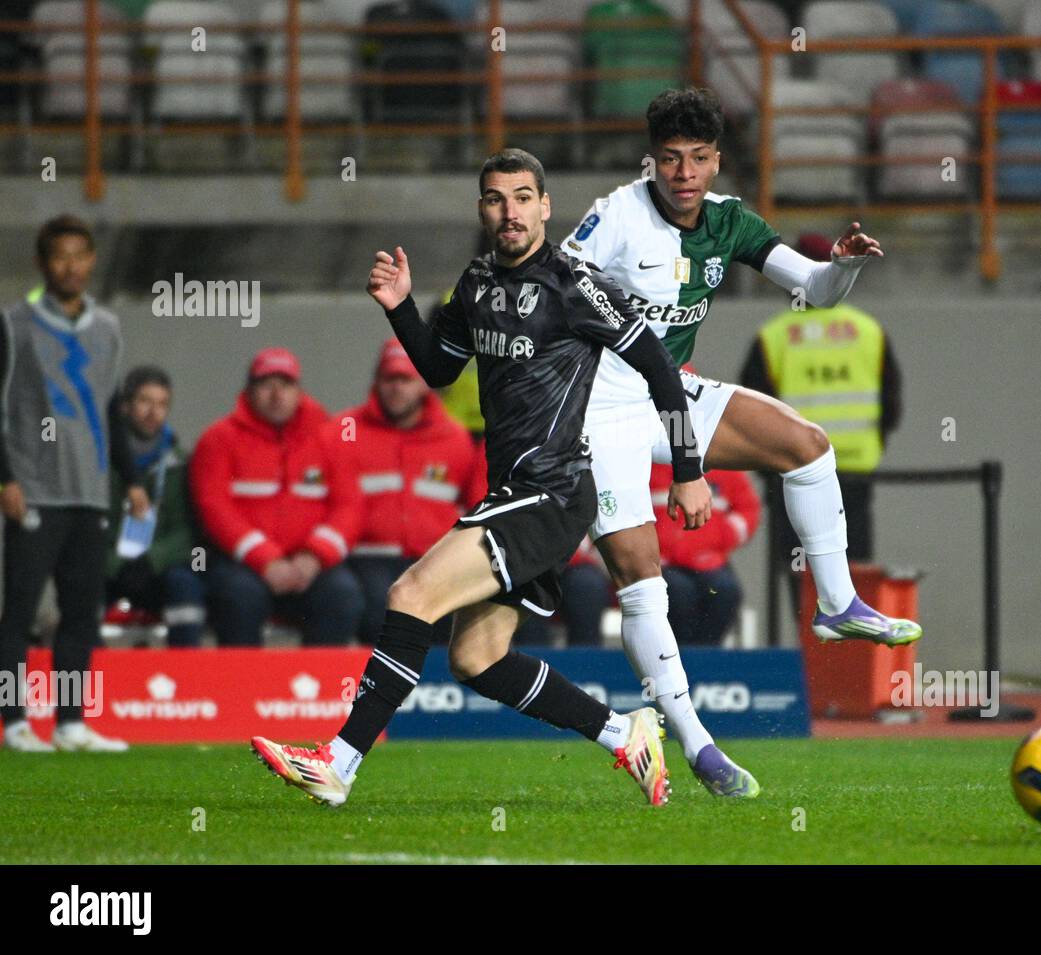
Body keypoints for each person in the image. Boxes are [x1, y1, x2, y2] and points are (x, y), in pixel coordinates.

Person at [250, 148, 711, 808]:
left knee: (411, 592)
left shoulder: (575, 287)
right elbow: (439, 369)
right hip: (514, 493)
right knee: (477, 658)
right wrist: (400, 308)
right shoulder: (474, 284)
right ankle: (623, 731)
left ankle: (340, 762)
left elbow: (662, 371)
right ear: (482, 209)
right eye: (496, 199)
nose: (510, 211)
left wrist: (688, 471)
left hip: (550, 491)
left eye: (523, 197)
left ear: (546, 207)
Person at [561, 87, 922, 797]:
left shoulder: (730, 223)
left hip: (669, 392)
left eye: (697, 159)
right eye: (670, 160)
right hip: (601, 409)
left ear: (716, 162)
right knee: (644, 588)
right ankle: (697, 745)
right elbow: (555, 282)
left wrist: (844, 263)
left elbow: (815, 291)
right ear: (651, 163)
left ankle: (837, 603)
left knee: (808, 444)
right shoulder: (615, 215)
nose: (684, 173)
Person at [0, 214, 138, 753]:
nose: (71, 266)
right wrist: (6, 478)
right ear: (41, 264)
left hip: (89, 492)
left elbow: (108, 407)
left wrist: (130, 479)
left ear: (93, 261)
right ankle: (13, 722)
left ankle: (70, 722)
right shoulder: (14, 325)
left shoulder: (107, 328)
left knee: (82, 613)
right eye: (60, 256)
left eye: (81, 255)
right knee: (20, 612)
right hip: (34, 489)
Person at [740, 263, 903, 595]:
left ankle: (810, 645)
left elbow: (751, 415)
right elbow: (892, 405)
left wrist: (768, 467)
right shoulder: (868, 330)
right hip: (853, 472)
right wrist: (869, 444)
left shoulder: (774, 336)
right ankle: (851, 646)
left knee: (798, 572)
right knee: (852, 569)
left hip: (793, 473)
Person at [190, 348, 365, 646]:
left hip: (310, 564)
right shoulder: (218, 439)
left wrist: (314, 556)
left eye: (285, 385)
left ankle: (317, 689)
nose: (276, 394)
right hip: (242, 565)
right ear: (249, 391)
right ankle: (242, 689)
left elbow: (351, 507)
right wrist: (266, 559)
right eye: (265, 385)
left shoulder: (330, 438)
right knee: (238, 598)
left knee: (343, 596)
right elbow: (213, 506)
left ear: (299, 391)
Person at [331, 337, 488, 646]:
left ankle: (439, 690)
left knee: (450, 610)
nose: (397, 388)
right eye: (390, 378)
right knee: (382, 609)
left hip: (432, 556)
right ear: (377, 381)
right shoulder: (345, 430)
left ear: (423, 384)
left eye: (406, 379)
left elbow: (473, 504)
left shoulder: (453, 436)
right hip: (367, 558)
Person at [104, 365, 207, 647]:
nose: (154, 413)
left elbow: (189, 531)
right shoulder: (100, 462)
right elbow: (89, 524)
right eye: (144, 402)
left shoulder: (180, 463)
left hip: (158, 566)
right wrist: (119, 561)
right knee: (82, 587)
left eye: (162, 404)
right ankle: (96, 681)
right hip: (110, 563)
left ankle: (186, 678)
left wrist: (151, 559)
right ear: (125, 407)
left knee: (186, 587)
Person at [651, 461, 759, 645]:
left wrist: (723, 535)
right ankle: (677, 657)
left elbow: (748, 508)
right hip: (660, 562)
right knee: (678, 594)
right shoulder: (648, 465)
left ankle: (706, 658)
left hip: (709, 561)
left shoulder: (723, 466)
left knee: (725, 591)